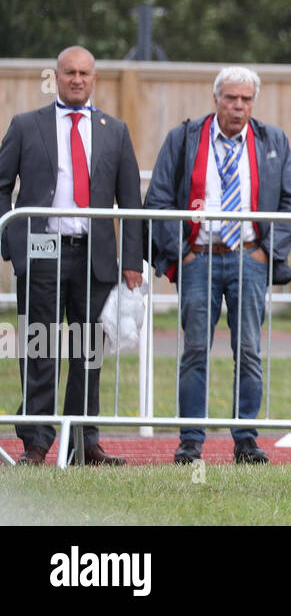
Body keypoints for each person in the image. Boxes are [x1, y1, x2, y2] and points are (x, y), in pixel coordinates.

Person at [145, 66, 291, 465]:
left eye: (245, 99)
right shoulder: (184, 138)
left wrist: (268, 250)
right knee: (195, 350)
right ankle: (190, 443)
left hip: (249, 259)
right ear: (215, 98)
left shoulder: (273, 141)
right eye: (231, 98)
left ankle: (246, 441)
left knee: (248, 351)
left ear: (253, 102)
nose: (238, 106)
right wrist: (181, 253)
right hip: (199, 259)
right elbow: (158, 199)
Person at [0, 46, 143, 466]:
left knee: (88, 351)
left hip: (94, 257)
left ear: (94, 78)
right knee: (40, 346)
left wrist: (132, 259)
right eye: (69, 73)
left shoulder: (114, 131)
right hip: (41, 251)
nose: (77, 79)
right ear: (56, 77)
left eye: (84, 73)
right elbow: (1, 183)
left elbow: (132, 202)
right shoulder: (27, 126)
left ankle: (83, 443)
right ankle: (37, 443)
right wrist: (10, 238)